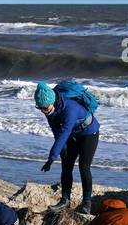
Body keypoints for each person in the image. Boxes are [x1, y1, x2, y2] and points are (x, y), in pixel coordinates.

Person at [34, 80, 100, 214]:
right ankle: (65, 200)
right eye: (40, 108)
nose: (43, 111)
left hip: (89, 133)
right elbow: (56, 131)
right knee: (66, 165)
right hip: (72, 135)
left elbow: (65, 131)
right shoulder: (50, 110)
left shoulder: (70, 108)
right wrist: (62, 148)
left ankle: (87, 202)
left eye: (45, 108)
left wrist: (52, 157)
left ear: (52, 102)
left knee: (84, 166)